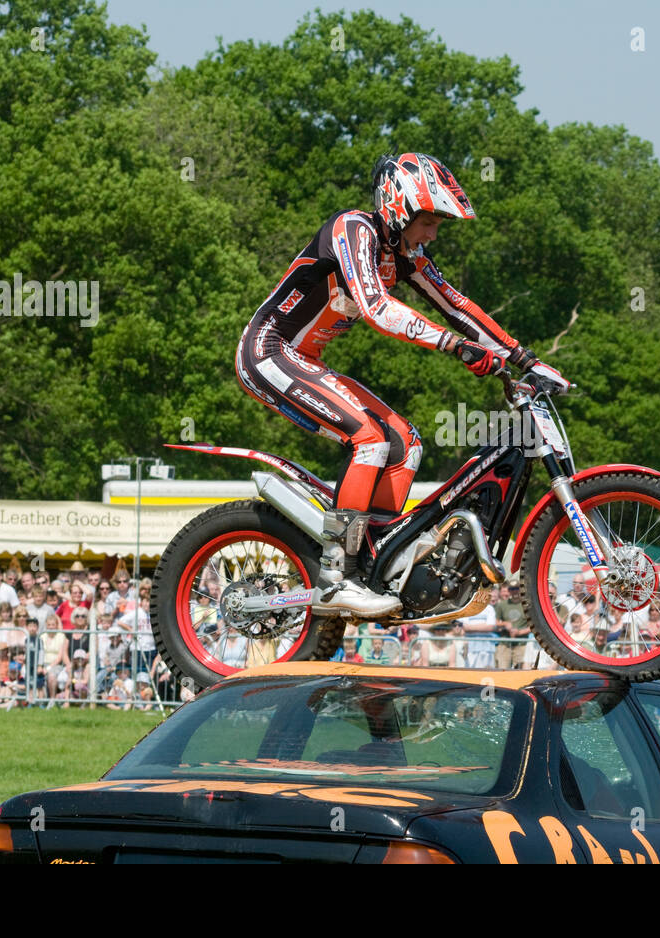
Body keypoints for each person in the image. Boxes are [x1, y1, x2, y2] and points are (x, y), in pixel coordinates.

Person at [234, 153, 568, 616]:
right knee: (369, 440)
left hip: (304, 358)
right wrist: (455, 348)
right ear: (399, 206)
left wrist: (522, 357)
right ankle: (335, 576)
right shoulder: (352, 230)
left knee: (405, 443)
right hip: (268, 352)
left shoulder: (405, 254)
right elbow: (377, 308)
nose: (433, 234)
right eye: (429, 221)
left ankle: (375, 560)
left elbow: (456, 305)